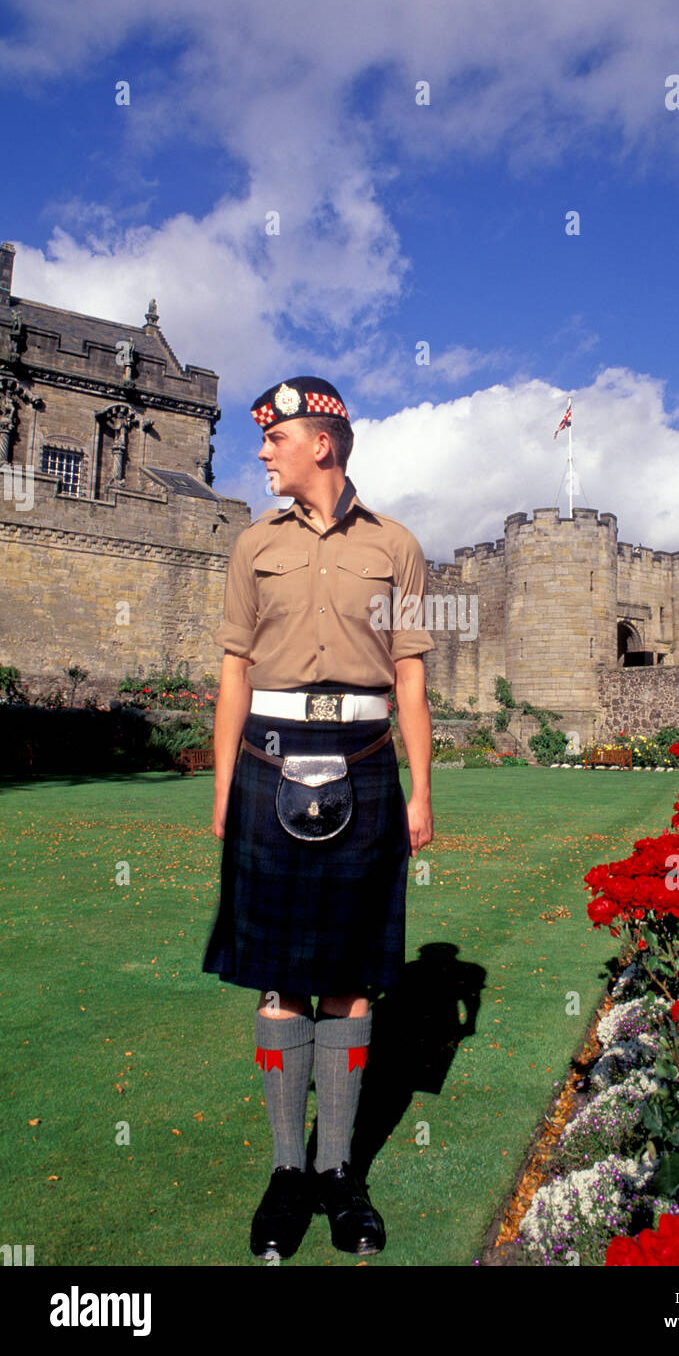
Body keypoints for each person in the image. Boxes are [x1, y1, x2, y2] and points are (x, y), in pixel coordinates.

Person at [203, 375, 433, 1261]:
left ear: (323, 444)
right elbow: (232, 668)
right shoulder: (251, 544)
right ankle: (286, 1173)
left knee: (348, 980)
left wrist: (422, 789)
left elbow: (410, 674)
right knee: (277, 980)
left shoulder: (398, 547)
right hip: (267, 757)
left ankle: (340, 1173)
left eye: (275, 438)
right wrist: (223, 786)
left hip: (369, 759)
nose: (262, 452)